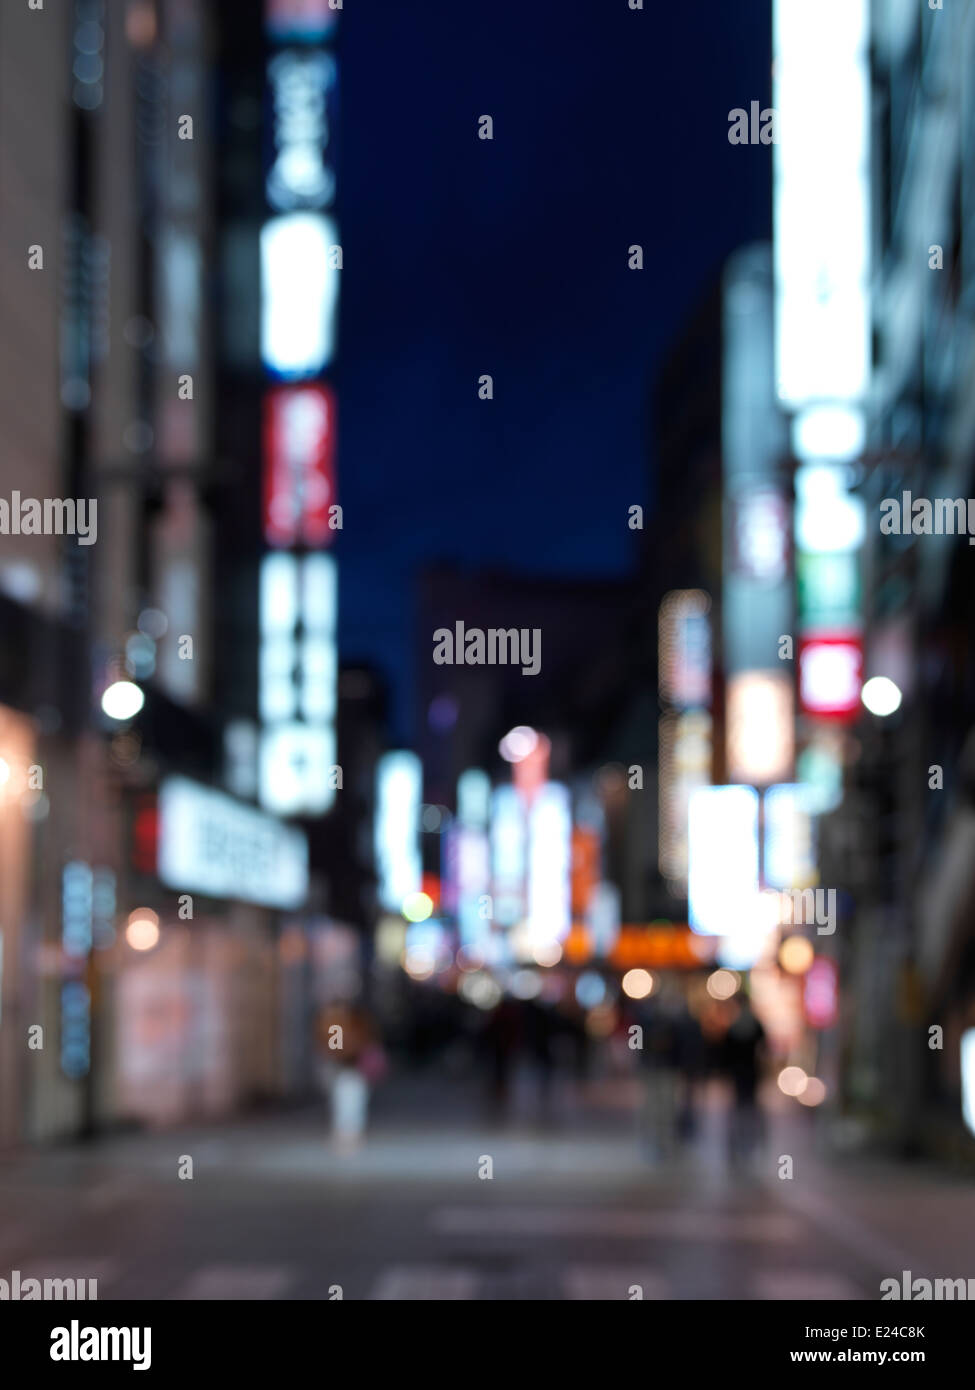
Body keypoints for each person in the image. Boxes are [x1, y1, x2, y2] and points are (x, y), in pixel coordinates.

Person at [316, 1003, 384, 1153]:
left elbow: (336, 1048)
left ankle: (349, 1134)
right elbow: (335, 1047)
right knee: (349, 1102)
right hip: (349, 1069)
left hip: (351, 1068)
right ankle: (349, 1134)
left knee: (349, 1101)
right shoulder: (342, 1025)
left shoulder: (344, 1025)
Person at [722, 993, 766, 1165]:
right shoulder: (754, 1024)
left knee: (740, 1108)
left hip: (740, 1074)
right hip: (750, 1072)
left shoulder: (734, 1026)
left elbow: (725, 1054)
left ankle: (741, 1142)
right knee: (748, 1108)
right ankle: (748, 1142)